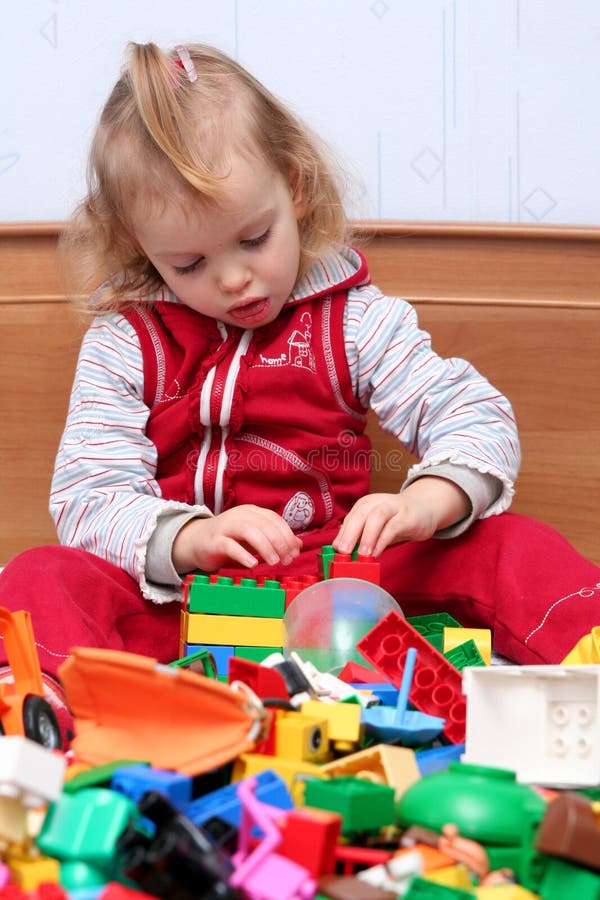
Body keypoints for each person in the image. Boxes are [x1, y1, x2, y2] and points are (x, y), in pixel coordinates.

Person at [1, 42, 599, 742]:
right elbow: (89, 496)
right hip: (188, 601)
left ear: (296, 189)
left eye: (255, 239)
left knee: (510, 545)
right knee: (37, 574)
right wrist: (190, 537)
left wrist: (423, 503)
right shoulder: (125, 341)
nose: (233, 281)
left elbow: (473, 414)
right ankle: (47, 736)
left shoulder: (354, 319)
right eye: (189, 263)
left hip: (346, 582)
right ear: (140, 247)